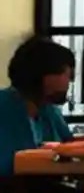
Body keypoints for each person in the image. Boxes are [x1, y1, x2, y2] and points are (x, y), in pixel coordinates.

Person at [0, 37, 75, 177]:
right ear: (43, 75)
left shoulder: (49, 111)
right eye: (64, 72)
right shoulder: (4, 107)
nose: (69, 80)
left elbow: (69, 146)